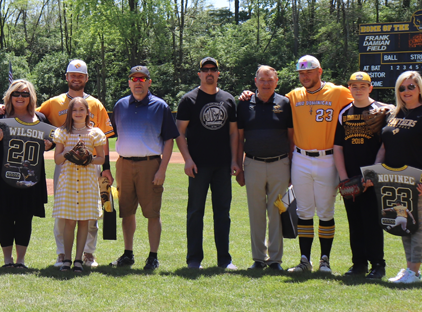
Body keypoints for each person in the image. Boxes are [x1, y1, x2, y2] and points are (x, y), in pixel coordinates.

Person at [35, 60, 114, 267]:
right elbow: (32, 115)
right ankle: (62, 253)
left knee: (91, 212)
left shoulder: (96, 104)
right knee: (63, 212)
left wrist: (106, 169)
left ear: (86, 78)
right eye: (73, 75)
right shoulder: (53, 102)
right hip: (65, 166)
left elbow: (104, 140)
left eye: (80, 75)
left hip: (91, 166)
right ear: (67, 77)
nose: (76, 78)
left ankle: (88, 253)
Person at [280, 55, 353, 274]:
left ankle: (325, 261)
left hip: (327, 158)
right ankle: (305, 261)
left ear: (319, 71)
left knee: (326, 212)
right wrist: (248, 95)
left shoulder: (338, 92)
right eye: (301, 73)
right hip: (301, 157)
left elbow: (362, 103)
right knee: (303, 211)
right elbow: (271, 100)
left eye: (309, 72)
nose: (305, 77)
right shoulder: (294, 95)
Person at [376, 71, 422, 283]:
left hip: (417, 180)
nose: (406, 91)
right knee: (403, 223)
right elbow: (383, 147)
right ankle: (409, 269)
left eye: (411, 87)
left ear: (419, 88)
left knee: (418, 224)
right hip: (394, 179)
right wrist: (375, 171)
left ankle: (414, 271)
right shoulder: (394, 114)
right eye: (402, 88)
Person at [109, 66, 179, 270]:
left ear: (149, 82)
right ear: (129, 82)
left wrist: (162, 170)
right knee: (126, 211)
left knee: (152, 213)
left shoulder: (160, 106)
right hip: (124, 164)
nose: (138, 82)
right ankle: (128, 253)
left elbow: (169, 140)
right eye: (134, 79)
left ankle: (153, 256)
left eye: (142, 79)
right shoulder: (120, 105)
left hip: (150, 164)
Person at [175, 57, 239, 270]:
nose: (209, 72)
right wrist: (187, 159)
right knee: (195, 212)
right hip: (198, 166)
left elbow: (233, 133)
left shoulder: (228, 99)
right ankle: (194, 259)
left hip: (222, 165)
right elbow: (179, 132)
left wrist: (234, 160)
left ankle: (224, 260)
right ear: (199, 74)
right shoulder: (189, 100)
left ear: (218, 73)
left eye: (213, 69)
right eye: (205, 69)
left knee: (223, 213)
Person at [0, 80, 53, 268]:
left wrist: (49, 145)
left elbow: (51, 141)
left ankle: (21, 260)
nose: (20, 97)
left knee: (25, 218)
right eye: (16, 93)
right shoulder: (1, 115)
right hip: (3, 176)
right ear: (10, 96)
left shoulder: (40, 118)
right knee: (4, 217)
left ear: (31, 97)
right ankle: (7, 259)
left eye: (24, 94)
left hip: (30, 177)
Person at [236, 65, 294, 271]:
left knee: (277, 212)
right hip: (253, 164)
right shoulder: (244, 104)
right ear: (256, 81)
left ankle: (276, 260)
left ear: (276, 82)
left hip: (280, 164)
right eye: (262, 79)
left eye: (270, 80)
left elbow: (291, 138)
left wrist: (291, 167)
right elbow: (239, 138)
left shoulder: (285, 103)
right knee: (256, 213)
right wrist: (239, 166)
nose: (266, 83)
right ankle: (259, 258)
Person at [333, 72, 388, 279]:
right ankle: (358, 264)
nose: (358, 90)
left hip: (372, 178)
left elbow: (385, 145)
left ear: (370, 88)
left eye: (363, 86)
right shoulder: (344, 112)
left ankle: (378, 265)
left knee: (372, 222)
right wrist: (343, 177)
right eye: (354, 86)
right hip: (351, 178)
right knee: (355, 222)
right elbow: (338, 147)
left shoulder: (381, 110)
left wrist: (373, 173)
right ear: (349, 88)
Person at [52, 97, 107, 272]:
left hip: (87, 182)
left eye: (81, 110)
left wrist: (89, 158)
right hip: (68, 181)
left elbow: (101, 158)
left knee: (84, 222)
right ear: (70, 113)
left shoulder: (95, 133)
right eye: (74, 110)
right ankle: (66, 259)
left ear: (87, 112)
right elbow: (57, 159)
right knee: (69, 221)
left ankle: (78, 260)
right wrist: (68, 152)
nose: (78, 113)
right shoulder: (63, 133)